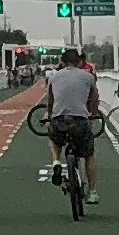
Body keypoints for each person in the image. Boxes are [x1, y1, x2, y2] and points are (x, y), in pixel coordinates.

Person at [41, 49, 104, 212]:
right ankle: (92, 192)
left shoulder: (54, 77)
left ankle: (56, 162)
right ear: (79, 62)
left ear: (62, 62)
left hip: (59, 120)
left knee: (54, 140)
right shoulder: (88, 77)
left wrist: (49, 114)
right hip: (80, 121)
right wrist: (93, 116)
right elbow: (95, 99)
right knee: (89, 154)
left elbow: (50, 99)